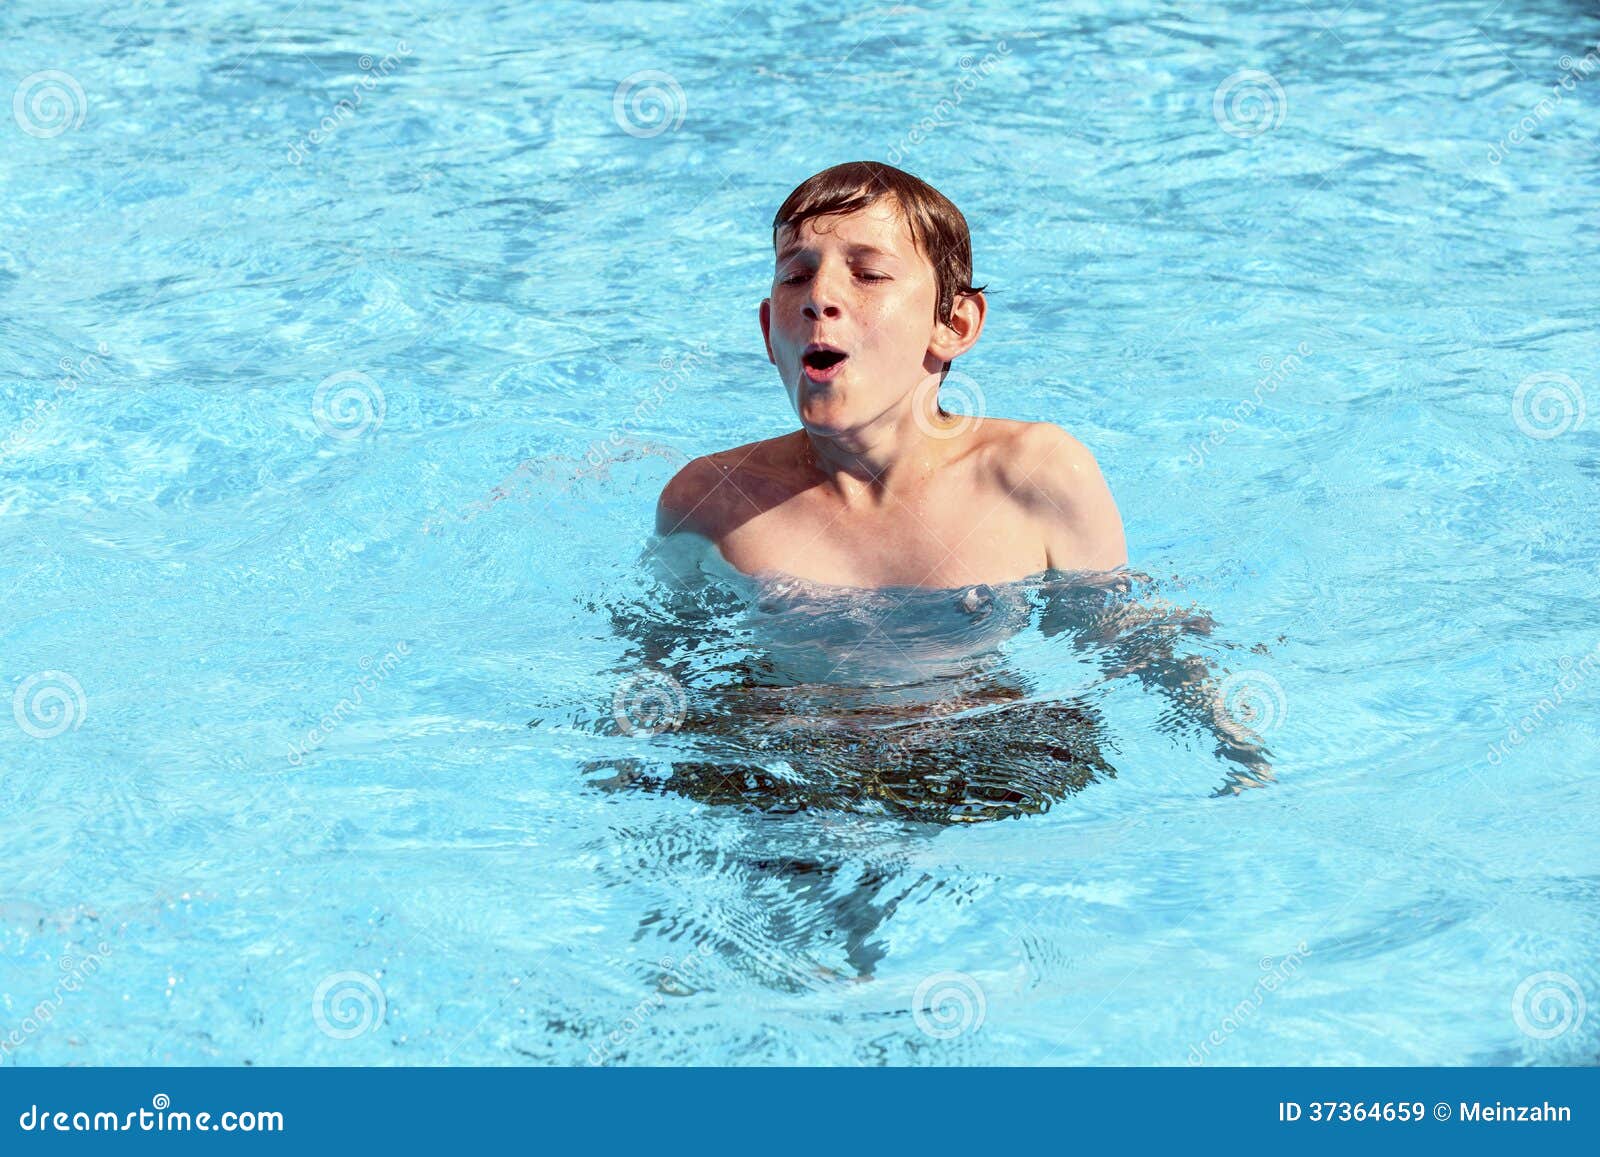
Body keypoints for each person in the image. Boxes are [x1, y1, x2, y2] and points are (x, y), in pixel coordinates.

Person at [655, 160, 1126, 591]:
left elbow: (1123, 636)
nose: (819, 298)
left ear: (952, 324)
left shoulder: (1034, 476)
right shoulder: (710, 503)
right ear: (768, 331)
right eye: (796, 277)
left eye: (869, 274)